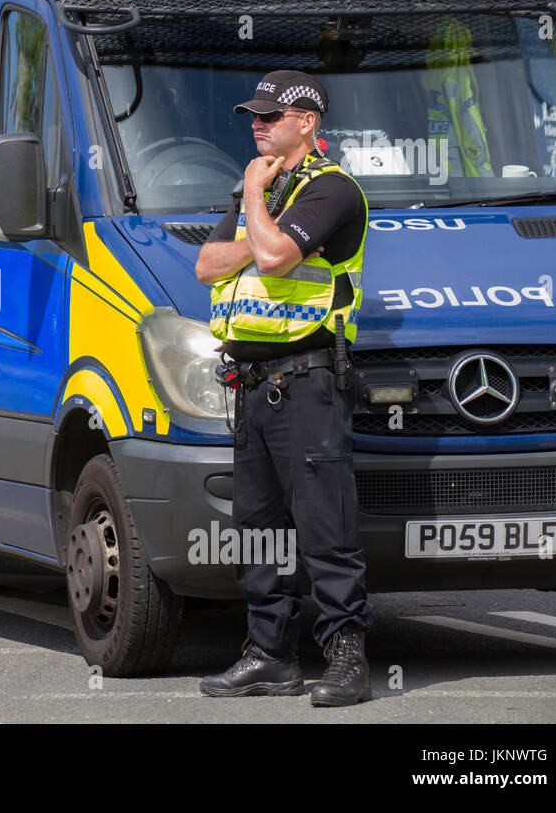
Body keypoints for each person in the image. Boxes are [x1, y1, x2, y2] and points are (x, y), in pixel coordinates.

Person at [194, 70, 372, 707]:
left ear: (308, 123)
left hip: (307, 381)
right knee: (257, 530)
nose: (257, 125)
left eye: (271, 116)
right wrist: (255, 215)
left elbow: (271, 258)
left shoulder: (332, 191)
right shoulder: (268, 190)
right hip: (251, 384)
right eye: (254, 115)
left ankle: (347, 656)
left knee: (326, 528)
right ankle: (270, 656)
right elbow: (206, 265)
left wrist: (250, 201)